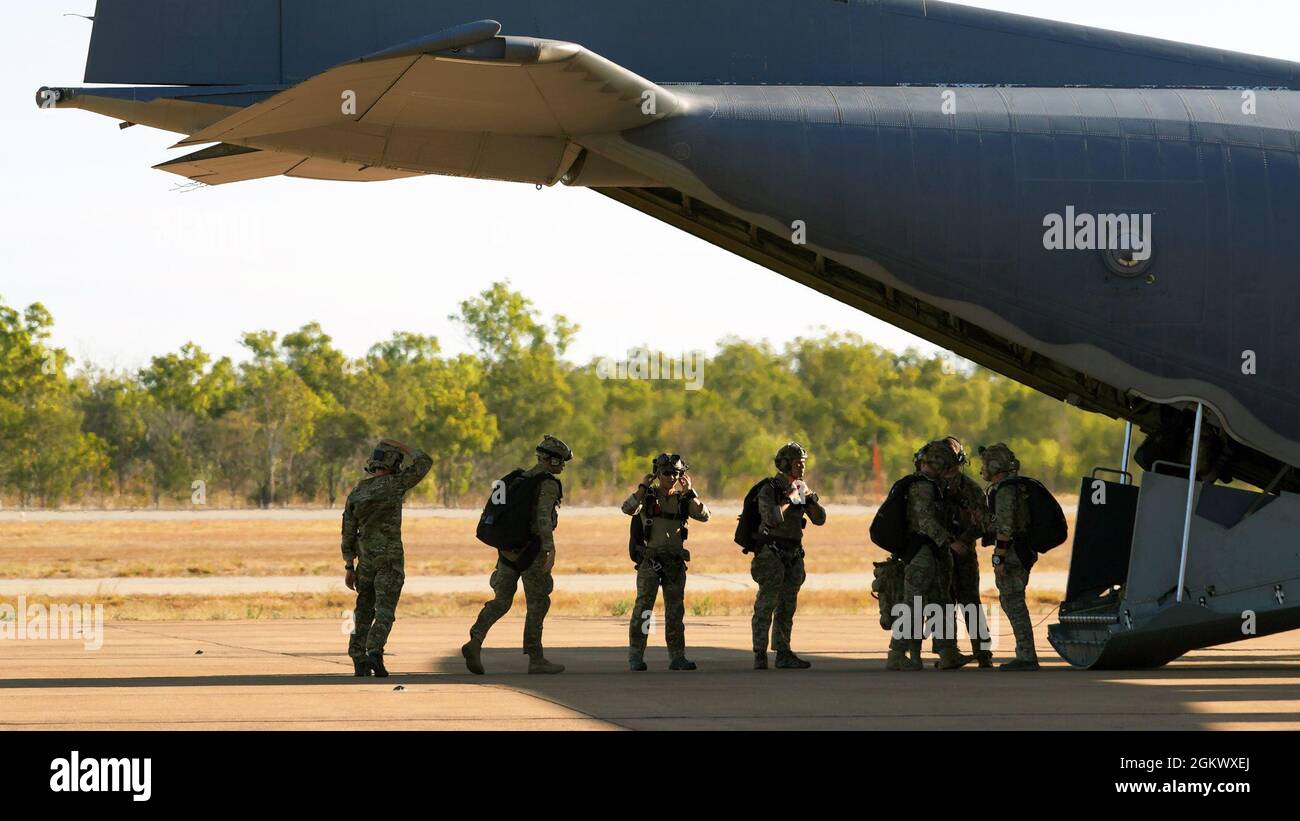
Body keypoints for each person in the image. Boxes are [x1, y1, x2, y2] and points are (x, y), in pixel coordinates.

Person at [462, 435, 572, 675]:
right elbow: (543, 519)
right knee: (538, 603)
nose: (563, 466)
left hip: (507, 551)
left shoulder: (515, 479)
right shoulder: (548, 483)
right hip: (532, 551)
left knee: (501, 602)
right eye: (561, 461)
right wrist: (549, 549)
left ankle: (475, 641)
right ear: (551, 460)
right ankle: (536, 658)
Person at [341, 439, 432, 677]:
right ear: (394, 464)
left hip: (365, 562)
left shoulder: (357, 492)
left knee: (363, 609)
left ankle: (358, 658)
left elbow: (348, 531)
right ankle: (375, 652)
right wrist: (402, 445)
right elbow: (425, 462)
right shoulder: (395, 484)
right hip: (389, 560)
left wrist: (349, 565)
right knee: (384, 609)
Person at [884, 441, 973, 671]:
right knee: (913, 604)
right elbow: (925, 522)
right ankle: (896, 653)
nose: (952, 472)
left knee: (941, 602)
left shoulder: (935, 485)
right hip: (922, 553)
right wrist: (951, 542)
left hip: (934, 553)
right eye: (949, 466)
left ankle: (948, 652)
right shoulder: (922, 487)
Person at [623, 453, 711, 671]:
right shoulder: (648, 497)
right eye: (666, 473)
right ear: (658, 474)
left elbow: (705, 515)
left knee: (675, 612)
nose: (671, 477)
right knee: (644, 611)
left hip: (674, 563)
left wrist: (690, 491)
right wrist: (643, 487)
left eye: (676, 473)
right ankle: (636, 656)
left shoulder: (683, 499)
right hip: (651, 560)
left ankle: (677, 657)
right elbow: (628, 508)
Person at [750, 442, 826, 670]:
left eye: (803, 463)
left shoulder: (802, 488)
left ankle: (783, 653)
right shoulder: (769, 489)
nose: (801, 467)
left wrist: (810, 500)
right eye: (797, 463)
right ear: (784, 465)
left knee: (787, 606)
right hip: (771, 555)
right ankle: (759, 654)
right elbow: (772, 519)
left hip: (793, 554)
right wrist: (789, 499)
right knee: (766, 604)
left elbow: (820, 519)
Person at [979, 443, 1040, 671]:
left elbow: (1005, 528)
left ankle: (1027, 656)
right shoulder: (1014, 487)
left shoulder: (1005, 490)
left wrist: (999, 558)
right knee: (1012, 600)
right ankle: (1025, 653)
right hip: (1020, 550)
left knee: (1013, 602)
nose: (982, 469)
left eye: (985, 464)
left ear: (995, 466)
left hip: (1013, 552)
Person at [941, 437, 993, 668]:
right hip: (939, 555)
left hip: (963, 555)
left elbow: (984, 523)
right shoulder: (929, 486)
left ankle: (982, 653)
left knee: (970, 602)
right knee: (942, 604)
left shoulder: (970, 489)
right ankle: (948, 653)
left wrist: (963, 540)